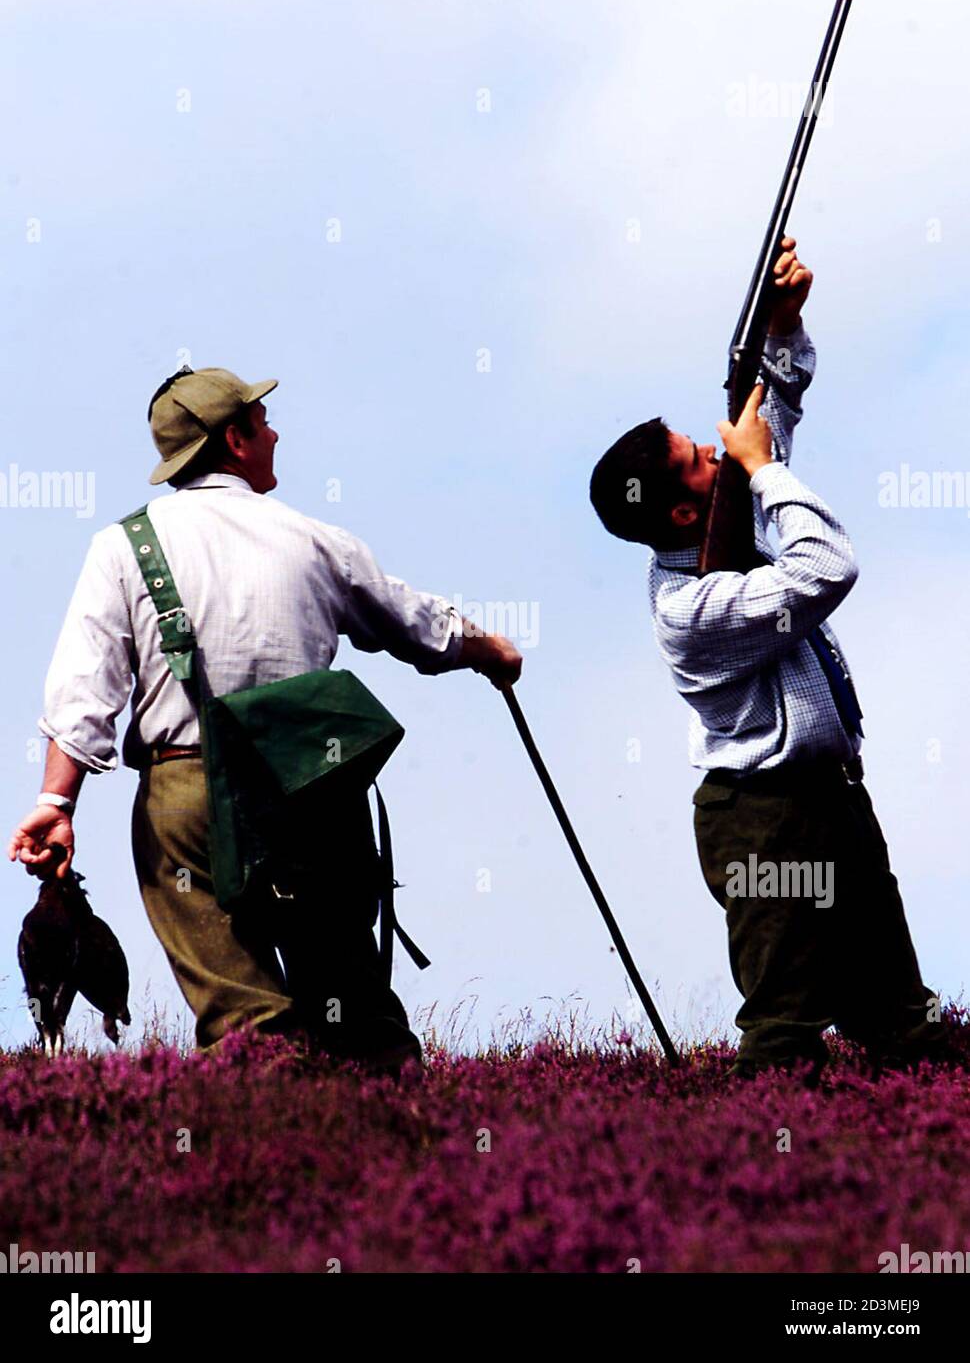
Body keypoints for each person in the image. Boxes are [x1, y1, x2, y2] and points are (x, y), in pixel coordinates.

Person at [8, 366, 521, 1068]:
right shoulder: (312, 538)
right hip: (313, 794)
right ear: (235, 438)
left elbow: (82, 692)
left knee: (244, 1021)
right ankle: (405, 1150)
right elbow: (416, 623)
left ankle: (271, 1136)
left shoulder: (123, 547)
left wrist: (54, 802)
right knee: (356, 1010)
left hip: (183, 800)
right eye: (264, 421)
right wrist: (489, 649)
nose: (275, 432)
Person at [588, 239, 945, 1080]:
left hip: (833, 798)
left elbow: (767, 426)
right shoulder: (693, 609)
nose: (717, 452)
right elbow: (828, 567)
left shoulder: (719, 529)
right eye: (698, 462)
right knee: (783, 1036)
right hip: (763, 817)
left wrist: (781, 328)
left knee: (902, 1020)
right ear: (682, 511)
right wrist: (761, 471)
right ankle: (758, 1180)